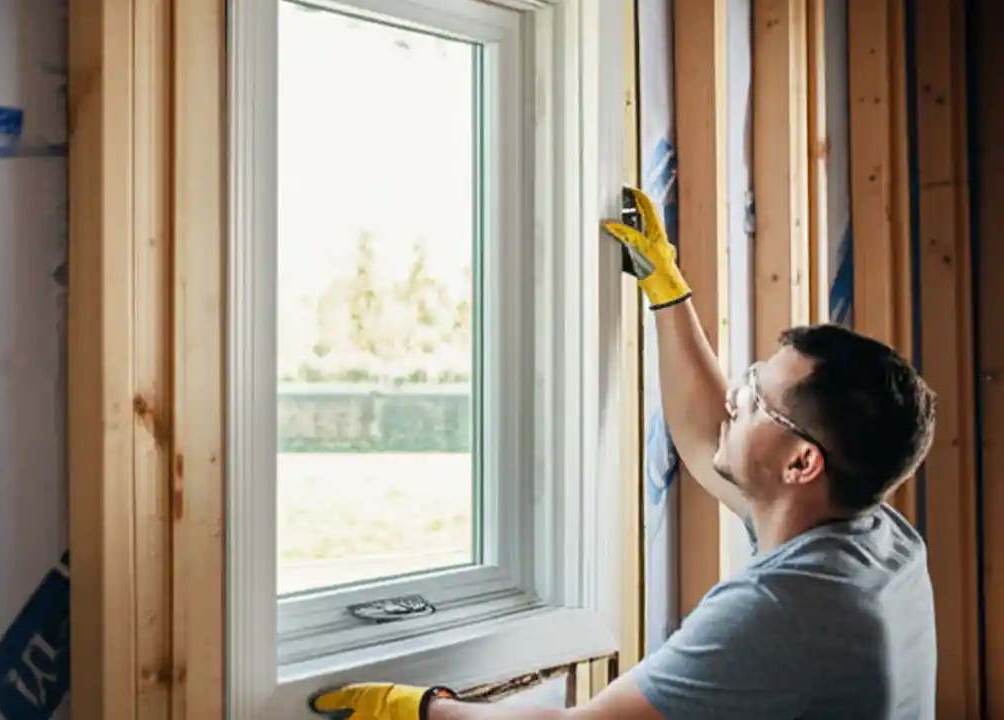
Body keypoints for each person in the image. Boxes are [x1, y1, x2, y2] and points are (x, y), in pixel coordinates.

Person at [308, 187, 938, 719]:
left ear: (803, 463)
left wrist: (422, 709)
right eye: (749, 380)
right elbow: (702, 439)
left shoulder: (781, 612)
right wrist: (667, 290)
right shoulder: (873, 537)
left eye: (755, 400)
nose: (733, 400)